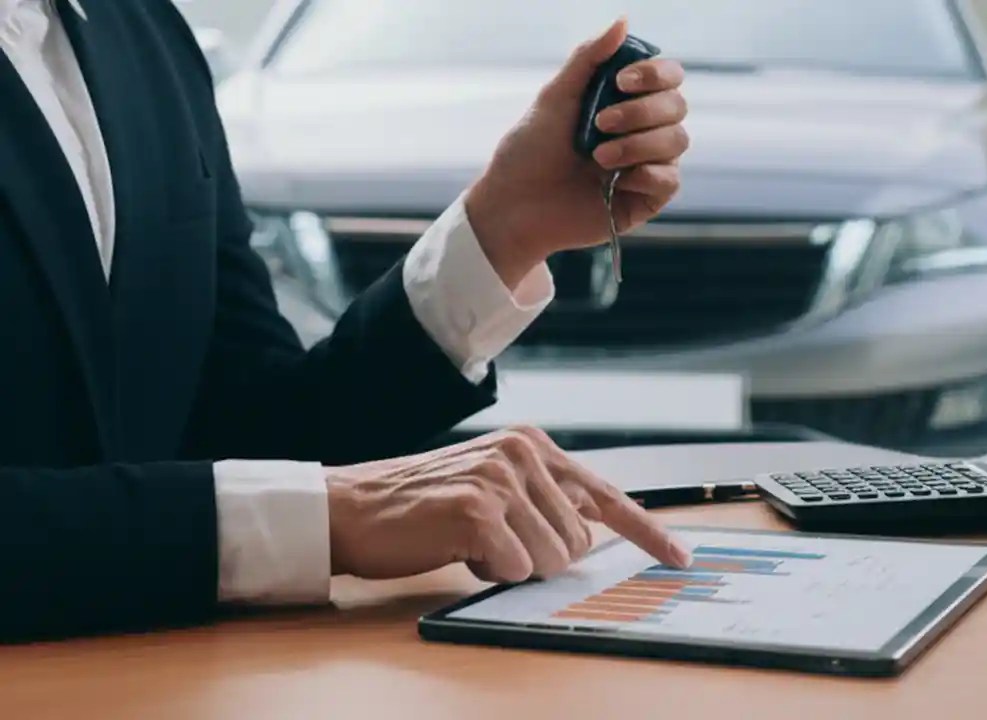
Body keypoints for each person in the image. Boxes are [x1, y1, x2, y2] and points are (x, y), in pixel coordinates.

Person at [0, 0, 692, 643]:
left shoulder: (143, 33)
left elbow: (246, 428)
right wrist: (329, 518)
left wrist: (505, 230)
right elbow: (280, 494)